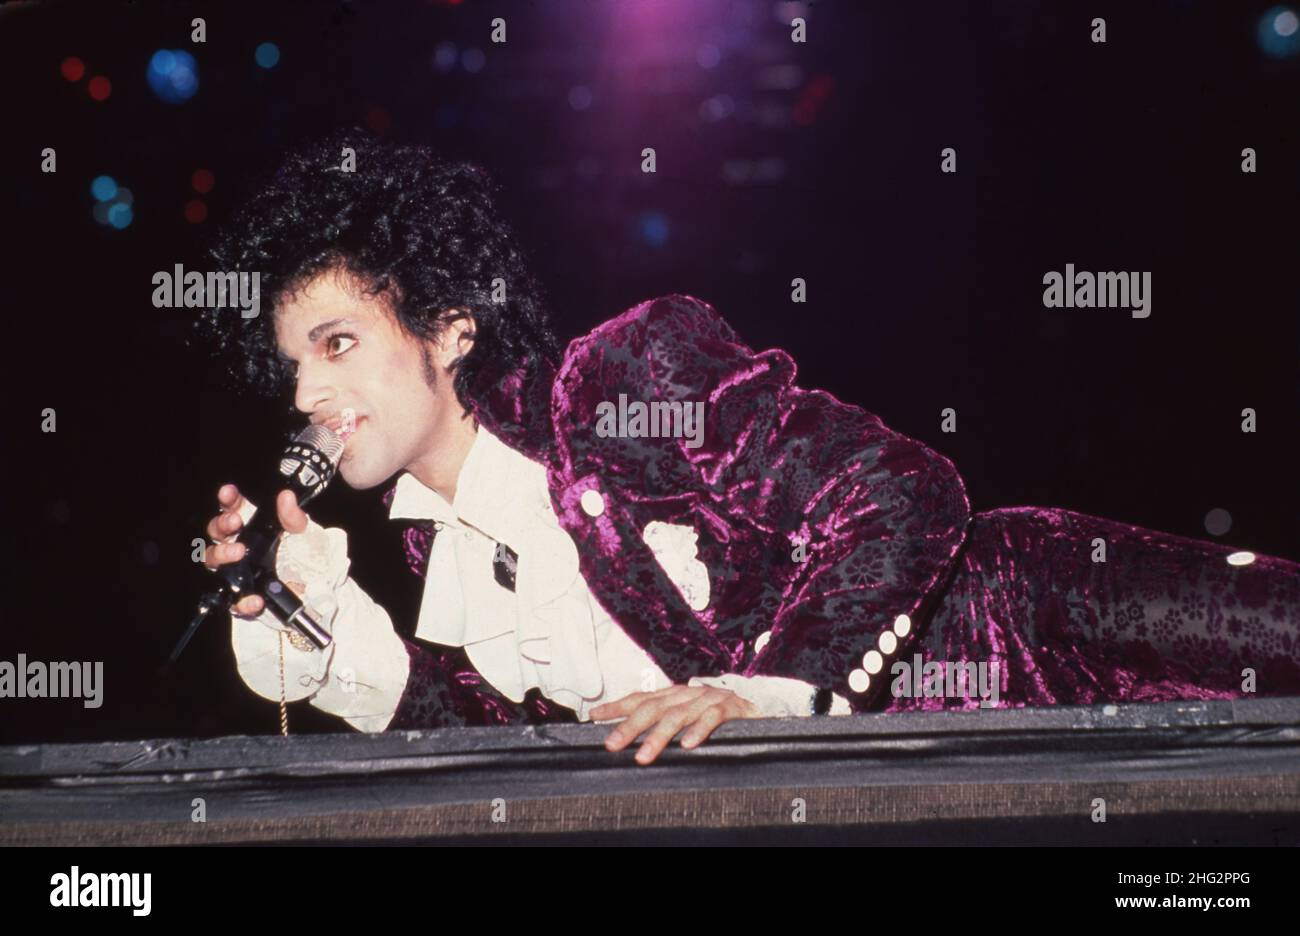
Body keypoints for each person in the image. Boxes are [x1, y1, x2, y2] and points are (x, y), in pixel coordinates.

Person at [194, 131, 1300, 765]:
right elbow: (516, 759)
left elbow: (898, 492)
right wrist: (325, 631)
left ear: (449, 329)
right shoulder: (448, 558)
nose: (310, 392)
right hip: (989, 790)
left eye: (338, 342)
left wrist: (772, 690)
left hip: (1044, 623)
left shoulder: (613, 385)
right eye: (293, 364)